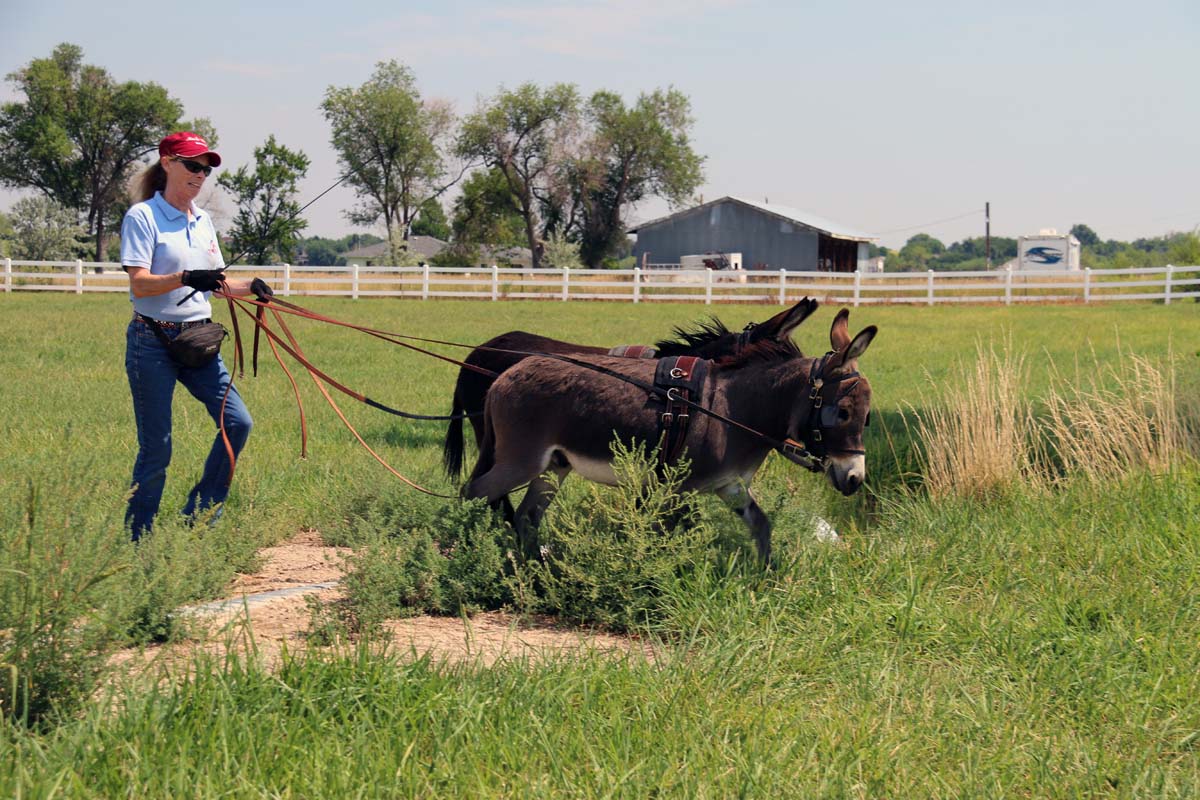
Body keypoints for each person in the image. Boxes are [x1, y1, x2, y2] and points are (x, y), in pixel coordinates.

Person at [120, 131, 273, 541]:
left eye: (205, 170)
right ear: (167, 162)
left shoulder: (202, 221)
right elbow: (140, 285)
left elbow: (215, 282)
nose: (200, 175)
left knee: (238, 423)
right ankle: (139, 539)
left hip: (199, 340)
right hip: (152, 341)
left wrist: (251, 286)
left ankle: (199, 518)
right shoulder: (143, 218)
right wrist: (184, 277)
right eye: (192, 166)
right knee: (158, 448)